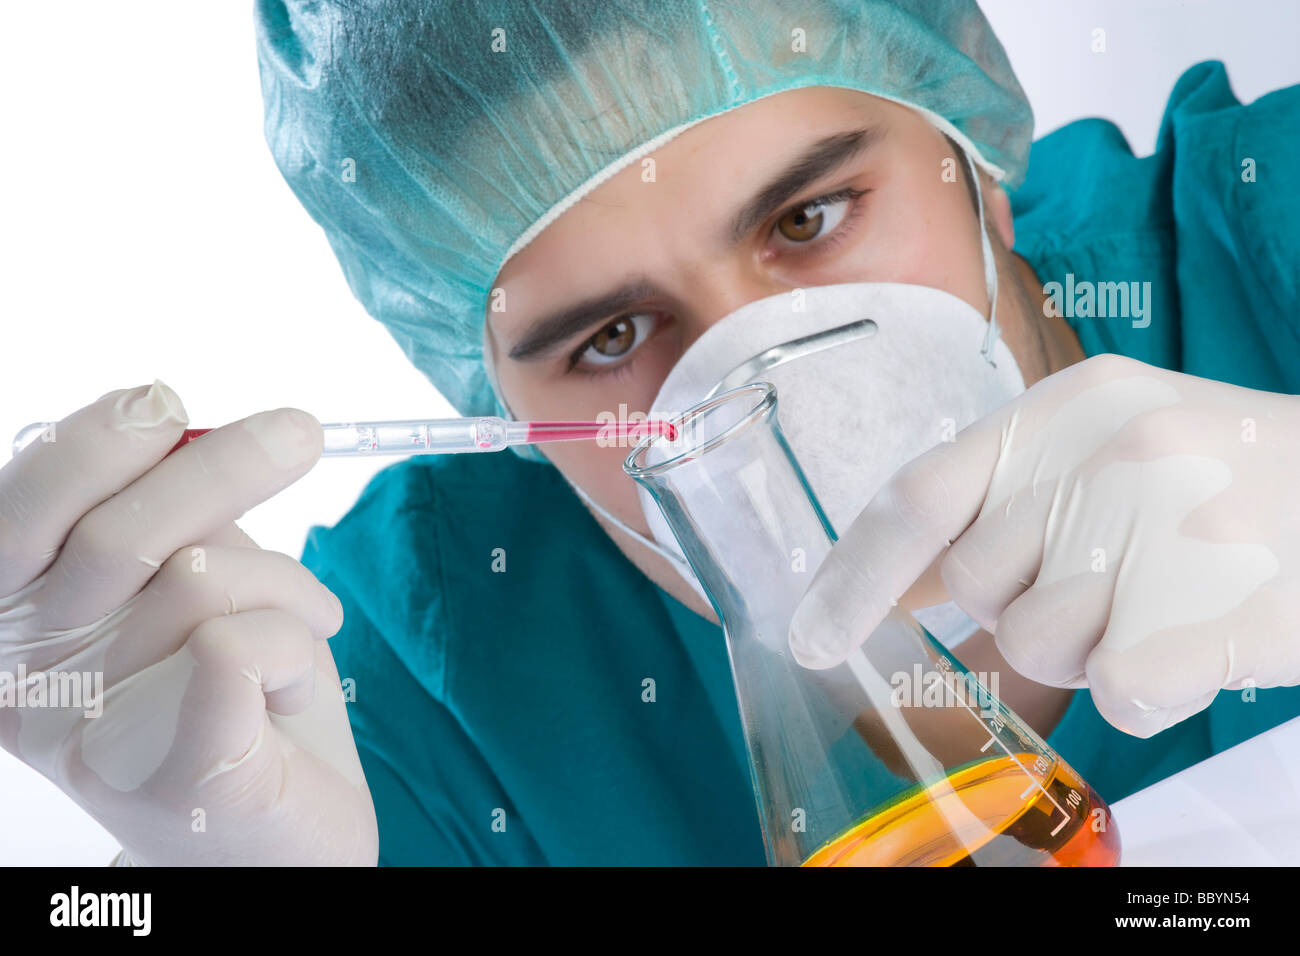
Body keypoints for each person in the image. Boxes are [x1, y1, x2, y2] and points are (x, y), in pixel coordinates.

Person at [1, 0, 1296, 866]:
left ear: (975, 166)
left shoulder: (1265, 232)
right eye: (611, 341)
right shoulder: (410, 671)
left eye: (808, 221)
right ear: (508, 410)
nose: (760, 382)